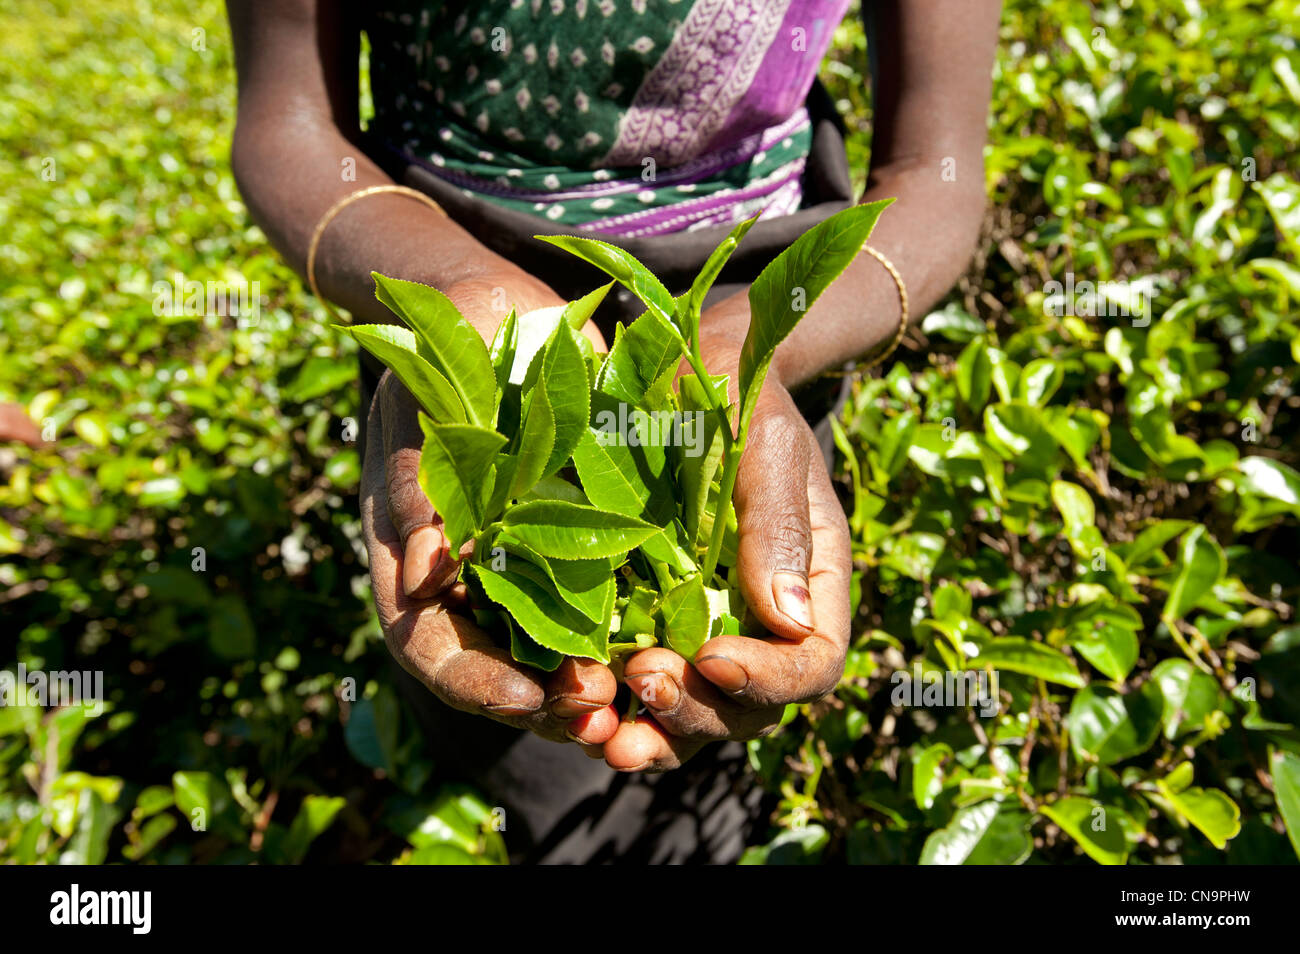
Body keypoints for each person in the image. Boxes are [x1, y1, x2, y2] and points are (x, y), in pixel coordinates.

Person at [227, 0, 999, 862]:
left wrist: (751, 353)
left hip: (765, 307)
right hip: (441, 279)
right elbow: (285, 123)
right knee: (506, 706)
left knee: (718, 698)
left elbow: (936, 168)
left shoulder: (750, 361)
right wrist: (450, 286)